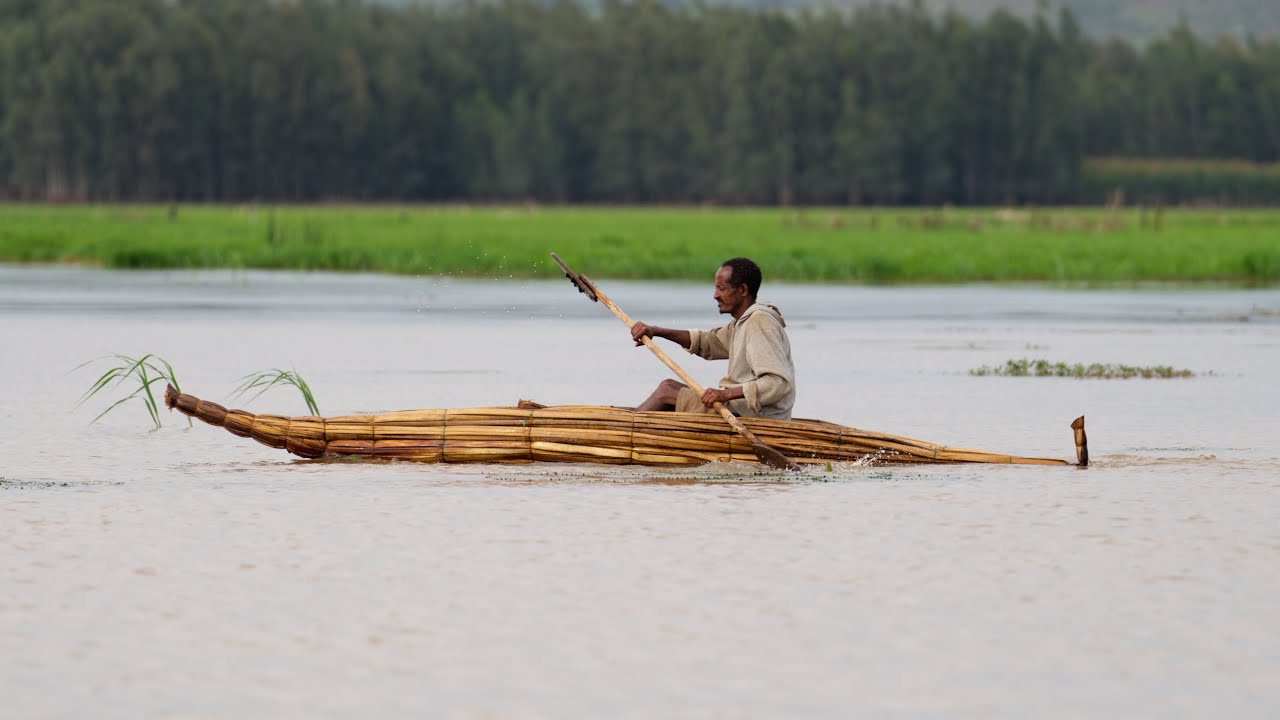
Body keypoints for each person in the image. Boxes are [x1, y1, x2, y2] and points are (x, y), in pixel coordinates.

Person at [631, 257, 795, 420]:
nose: (715, 295)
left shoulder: (759, 321)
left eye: (722, 289)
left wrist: (725, 394)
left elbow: (777, 383)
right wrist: (656, 331)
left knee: (666, 390)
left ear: (743, 290)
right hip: (740, 409)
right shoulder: (740, 324)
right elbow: (707, 342)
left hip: (753, 415)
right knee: (670, 386)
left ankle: (629, 425)